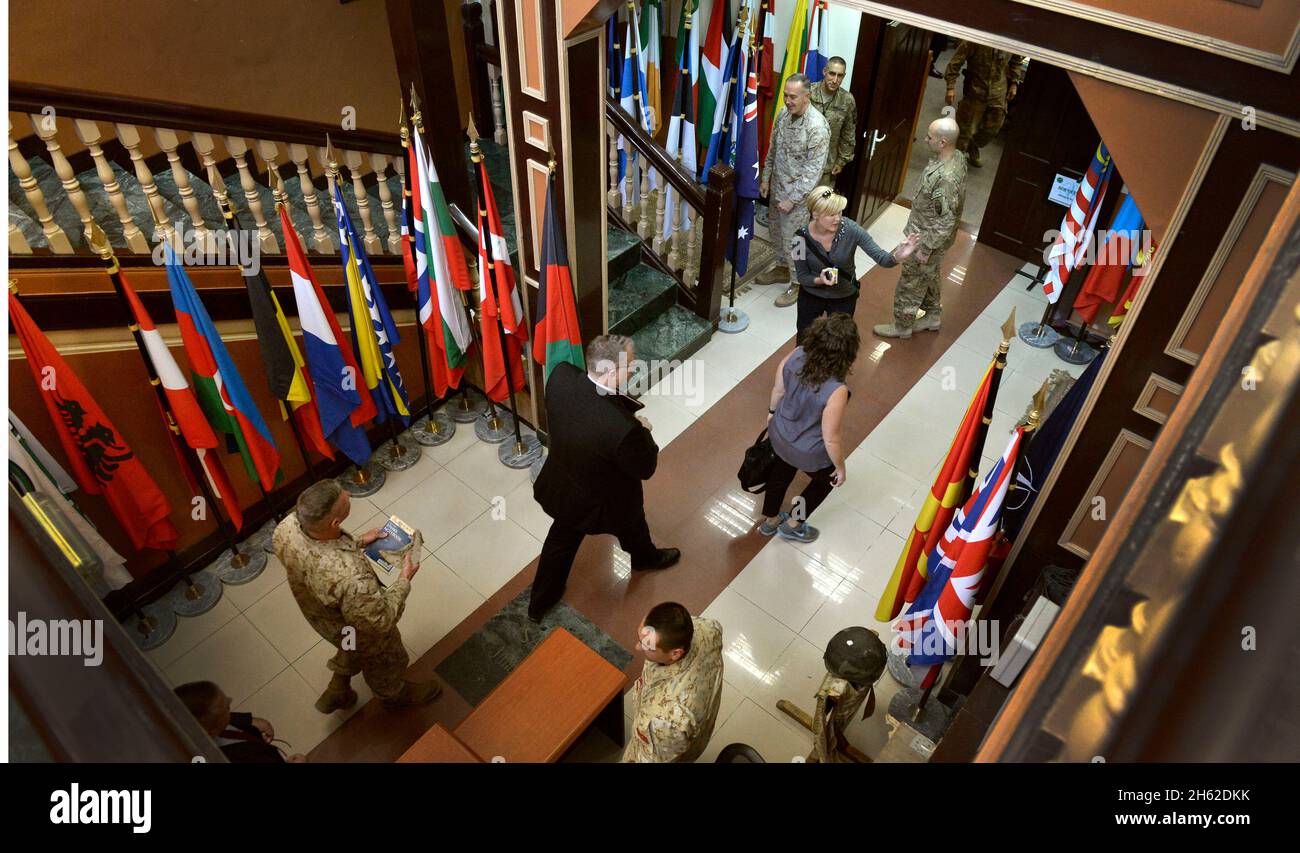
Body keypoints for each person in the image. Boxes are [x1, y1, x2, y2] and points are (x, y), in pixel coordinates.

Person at [529, 335, 680, 622]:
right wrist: (644, 429)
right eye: (630, 365)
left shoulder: (560, 375)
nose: (634, 368)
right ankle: (645, 558)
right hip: (604, 495)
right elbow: (646, 468)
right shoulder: (623, 430)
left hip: (564, 479)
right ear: (611, 372)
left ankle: (539, 603)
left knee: (563, 540)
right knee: (628, 519)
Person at [273, 480, 441, 712]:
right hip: (359, 624)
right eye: (345, 497)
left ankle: (338, 688)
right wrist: (404, 580)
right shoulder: (352, 578)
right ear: (335, 522)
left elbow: (315, 552)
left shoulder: (286, 527)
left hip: (324, 616)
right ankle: (392, 694)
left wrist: (358, 541)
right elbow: (380, 621)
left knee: (348, 644)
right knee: (385, 659)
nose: (349, 493)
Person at [759, 313, 859, 543]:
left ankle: (770, 521)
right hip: (808, 450)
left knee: (779, 476)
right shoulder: (836, 390)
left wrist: (771, 415)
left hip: (781, 432)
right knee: (825, 482)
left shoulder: (796, 354)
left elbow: (778, 390)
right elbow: (831, 438)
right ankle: (794, 524)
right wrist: (840, 467)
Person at [873, 116, 966, 340]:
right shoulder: (956, 157)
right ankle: (932, 315)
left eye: (930, 137)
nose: (925, 140)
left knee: (911, 281)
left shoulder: (946, 177)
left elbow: (945, 219)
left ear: (943, 142)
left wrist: (925, 248)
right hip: (928, 234)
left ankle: (902, 325)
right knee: (929, 274)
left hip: (926, 238)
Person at [792, 185, 918, 341]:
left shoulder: (851, 229)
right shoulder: (799, 240)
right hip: (811, 296)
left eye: (839, 212)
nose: (837, 218)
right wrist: (819, 280)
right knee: (804, 338)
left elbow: (882, 258)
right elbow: (802, 276)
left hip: (843, 296)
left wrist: (898, 256)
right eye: (831, 214)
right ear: (815, 214)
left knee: (839, 341)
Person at [759, 72, 830, 309]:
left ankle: (799, 282)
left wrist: (792, 199)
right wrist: (766, 178)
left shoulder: (817, 127)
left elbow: (813, 172)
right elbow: (773, 148)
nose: (787, 101)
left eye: (793, 97)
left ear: (806, 96)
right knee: (777, 233)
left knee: (796, 242)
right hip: (777, 188)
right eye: (785, 96)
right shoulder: (783, 114)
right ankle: (781, 267)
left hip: (797, 199)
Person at [623, 602, 724, 763]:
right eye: (640, 639)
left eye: (647, 646)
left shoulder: (667, 720)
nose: (637, 647)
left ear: (675, 654)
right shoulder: (706, 629)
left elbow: (653, 759)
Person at [174, 681, 306, 763]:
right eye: (226, 707)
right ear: (210, 732)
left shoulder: (198, 724)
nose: (230, 700)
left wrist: (250, 721)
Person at [944, 40, 1025, 168]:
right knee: (965, 129)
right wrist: (950, 87)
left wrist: (1014, 83)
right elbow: (955, 63)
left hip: (998, 91)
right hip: (976, 89)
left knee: (992, 129)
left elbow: (1016, 60)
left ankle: (973, 146)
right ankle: (954, 161)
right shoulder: (975, 39)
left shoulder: (1011, 40)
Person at [809, 57, 857, 190]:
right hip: (802, 161)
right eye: (832, 73)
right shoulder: (808, 92)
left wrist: (842, 161)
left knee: (820, 207)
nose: (835, 80)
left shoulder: (847, 100)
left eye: (840, 75)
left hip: (826, 166)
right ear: (825, 71)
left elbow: (848, 133)